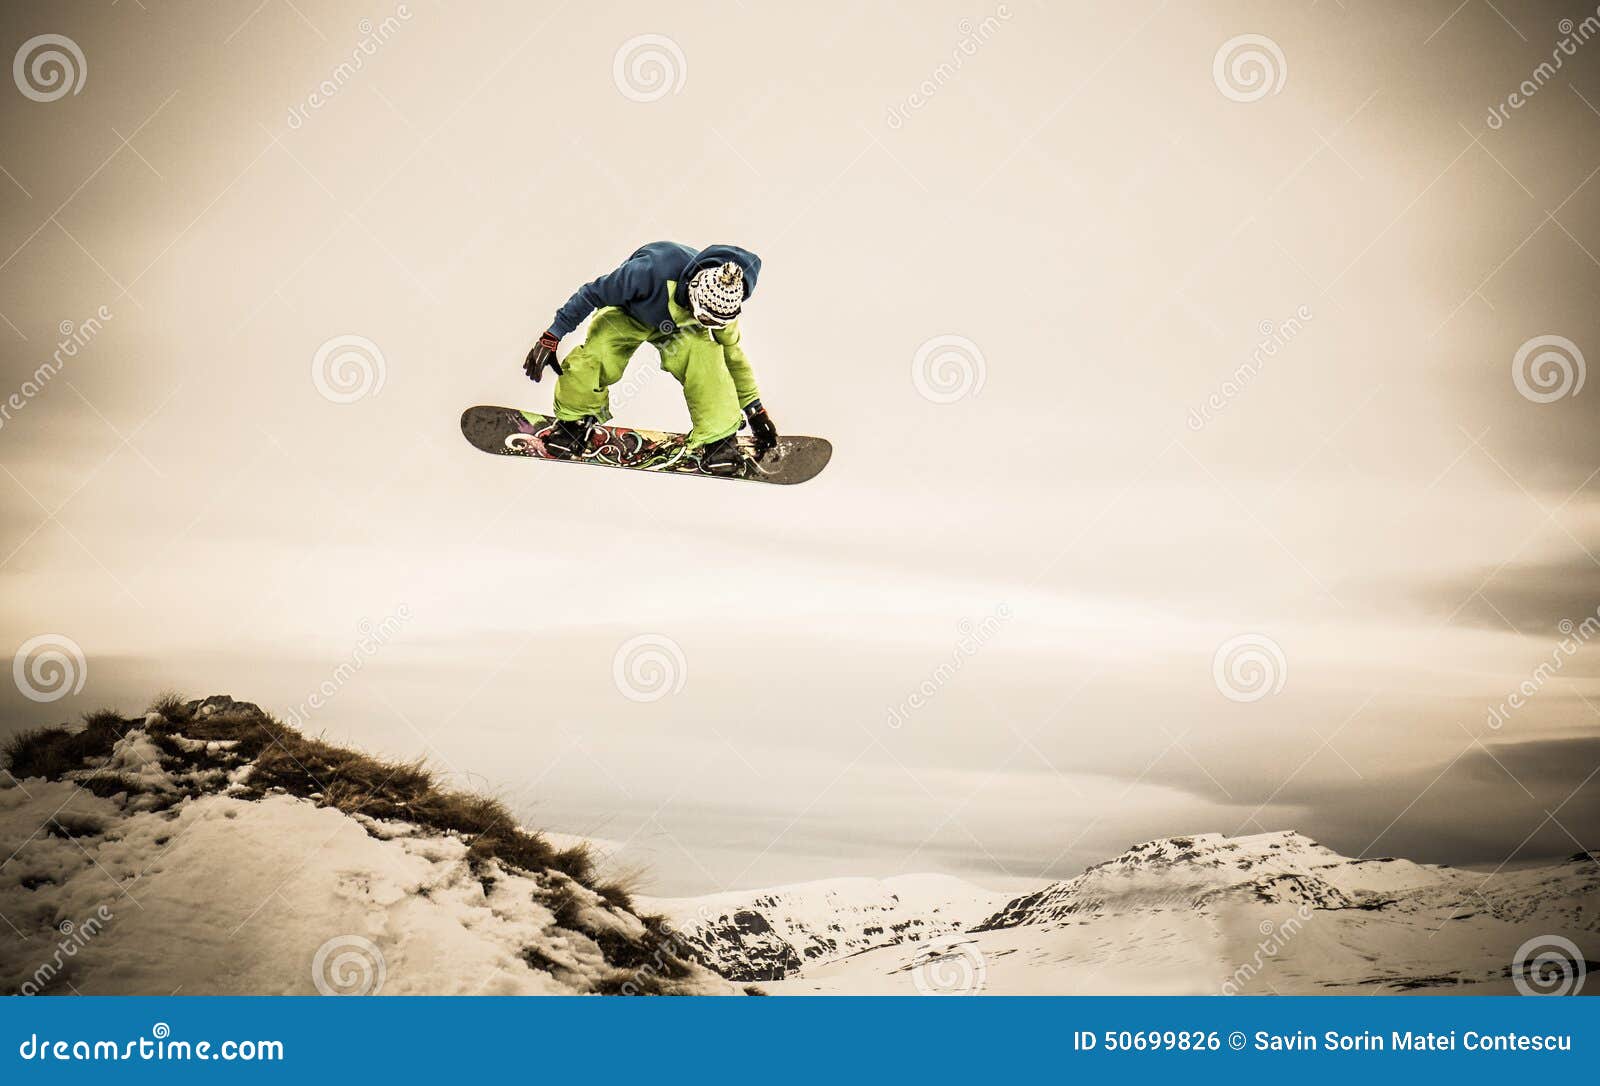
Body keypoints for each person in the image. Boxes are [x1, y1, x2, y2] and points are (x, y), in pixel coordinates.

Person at [523, 241, 779, 473]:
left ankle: (719, 439)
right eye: (704, 316)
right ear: (694, 289)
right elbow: (591, 294)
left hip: (681, 331)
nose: (709, 323)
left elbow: (733, 356)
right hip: (632, 312)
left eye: (715, 322)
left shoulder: (722, 310)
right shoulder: (647, 273)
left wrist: (755, 409)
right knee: (598, 353)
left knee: (706, 358)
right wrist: (552, 336)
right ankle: (574, 423)